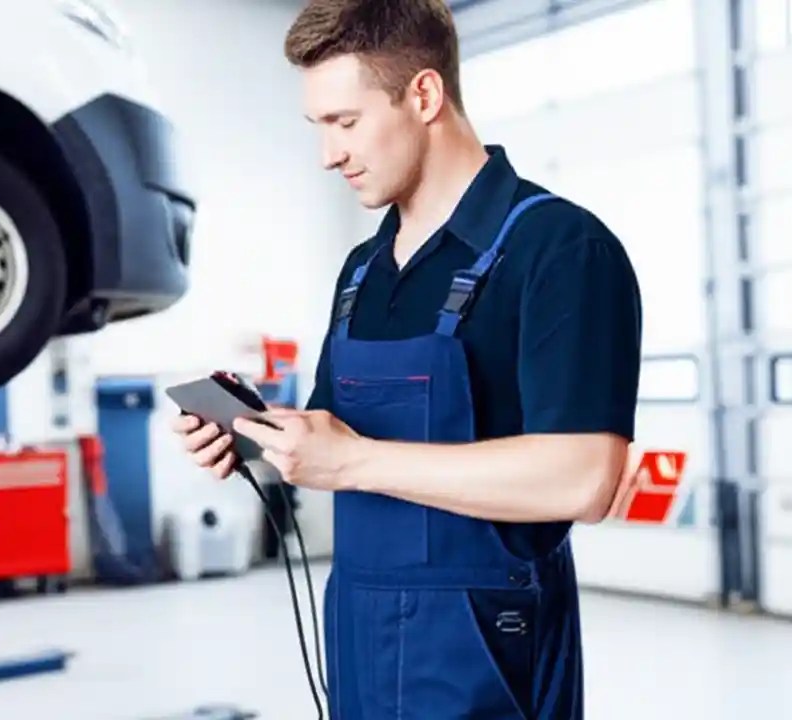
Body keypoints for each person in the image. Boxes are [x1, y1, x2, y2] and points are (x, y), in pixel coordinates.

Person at [171, 1, 643, 718]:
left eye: (346, 122)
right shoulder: (363, 271)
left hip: (487, 650)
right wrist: (261, 439)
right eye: (319, 128)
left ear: (424, 94)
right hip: (361, 632)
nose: (328, 154)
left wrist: (354, 462)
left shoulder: (561, 250)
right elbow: (336, 430)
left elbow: (583, 477)